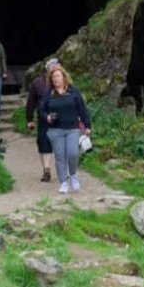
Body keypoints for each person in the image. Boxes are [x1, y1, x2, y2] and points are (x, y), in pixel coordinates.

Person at [38, 65, 90, 194]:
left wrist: (87, 125)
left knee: (73, 153)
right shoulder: (49, 94)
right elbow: (41, 110)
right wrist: (47, 117)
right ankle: (63, 182)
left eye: (58, 76)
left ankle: (73, 175)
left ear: (64, 77)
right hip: (55, 129)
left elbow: (82, 109)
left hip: (72, 128)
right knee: (60, 156)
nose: (56, 79)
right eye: (53, 77)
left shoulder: (73, 92)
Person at [24, 57, 57, 183]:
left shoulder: (63, 82)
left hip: (60, 119)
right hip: (44, 119)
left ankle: (66, 169)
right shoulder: (38, 83)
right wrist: (29, 119)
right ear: (47, 69)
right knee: (44, 144)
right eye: (52, 67)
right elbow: (30, 103)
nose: (55, 70)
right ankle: (46, 170)